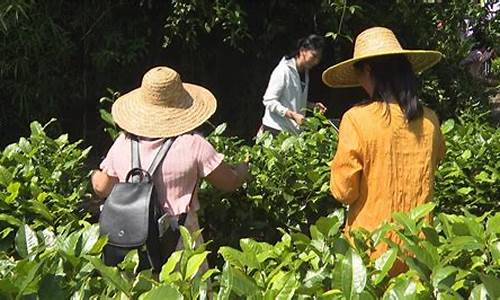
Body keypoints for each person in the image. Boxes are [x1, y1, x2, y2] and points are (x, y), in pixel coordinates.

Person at [91, 66, 250, 271]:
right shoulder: (194, 145)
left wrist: (95, 175)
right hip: (179, 240)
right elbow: (230, 182)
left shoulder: (123, 143)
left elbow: (102, 188)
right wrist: (244, 170)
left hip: (132, 242)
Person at [322, 27, 446, 274]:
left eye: (359, 75)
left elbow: (344, 191)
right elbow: (437, 160)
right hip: (418, 251)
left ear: (368, 70)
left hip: (372, 251)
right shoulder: (430, 120)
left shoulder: (356, 119)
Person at [260, 34, 327, 135]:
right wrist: (292, 115)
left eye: (318, 58)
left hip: (291, 132)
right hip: (274, 130)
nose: (316, 61)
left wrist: (311, 106)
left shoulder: (305, 72)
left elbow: (292, 98)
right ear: (302, 51)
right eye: (313, 56)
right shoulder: (284, 70)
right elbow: (269, 101)